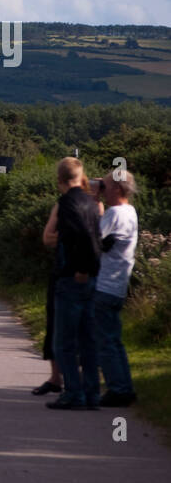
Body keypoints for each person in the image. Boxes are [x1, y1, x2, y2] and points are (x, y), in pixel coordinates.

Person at [41, 157, 102, 410]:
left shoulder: (67, 203)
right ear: (81, 176)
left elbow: (82, 237)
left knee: (64, 341)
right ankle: (91, 393)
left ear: (60, 180)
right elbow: (96, 237)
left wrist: (80, 268)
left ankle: (73, 394)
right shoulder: (93, 203)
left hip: (71, 277)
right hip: (93, 279)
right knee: (88, 339)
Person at [94, 172, 139, 406]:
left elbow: (91, 239)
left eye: (107, 185)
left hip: (105, 284)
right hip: (119, 285)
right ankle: (125, 387)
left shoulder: (113, 213)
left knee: (106, 341)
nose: (103, 188)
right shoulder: (130, 211)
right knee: (114, 339)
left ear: (118, 189)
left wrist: (94, 204)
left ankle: (118, 389)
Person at [30, 202, 64, 395]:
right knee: (56, 327)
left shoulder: (96, 209)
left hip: (78, 278)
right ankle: (57, 378)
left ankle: (79, 385)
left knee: (72, 331)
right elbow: (47, 238)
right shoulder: (65, 206)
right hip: (66, 275)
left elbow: (48, 237)